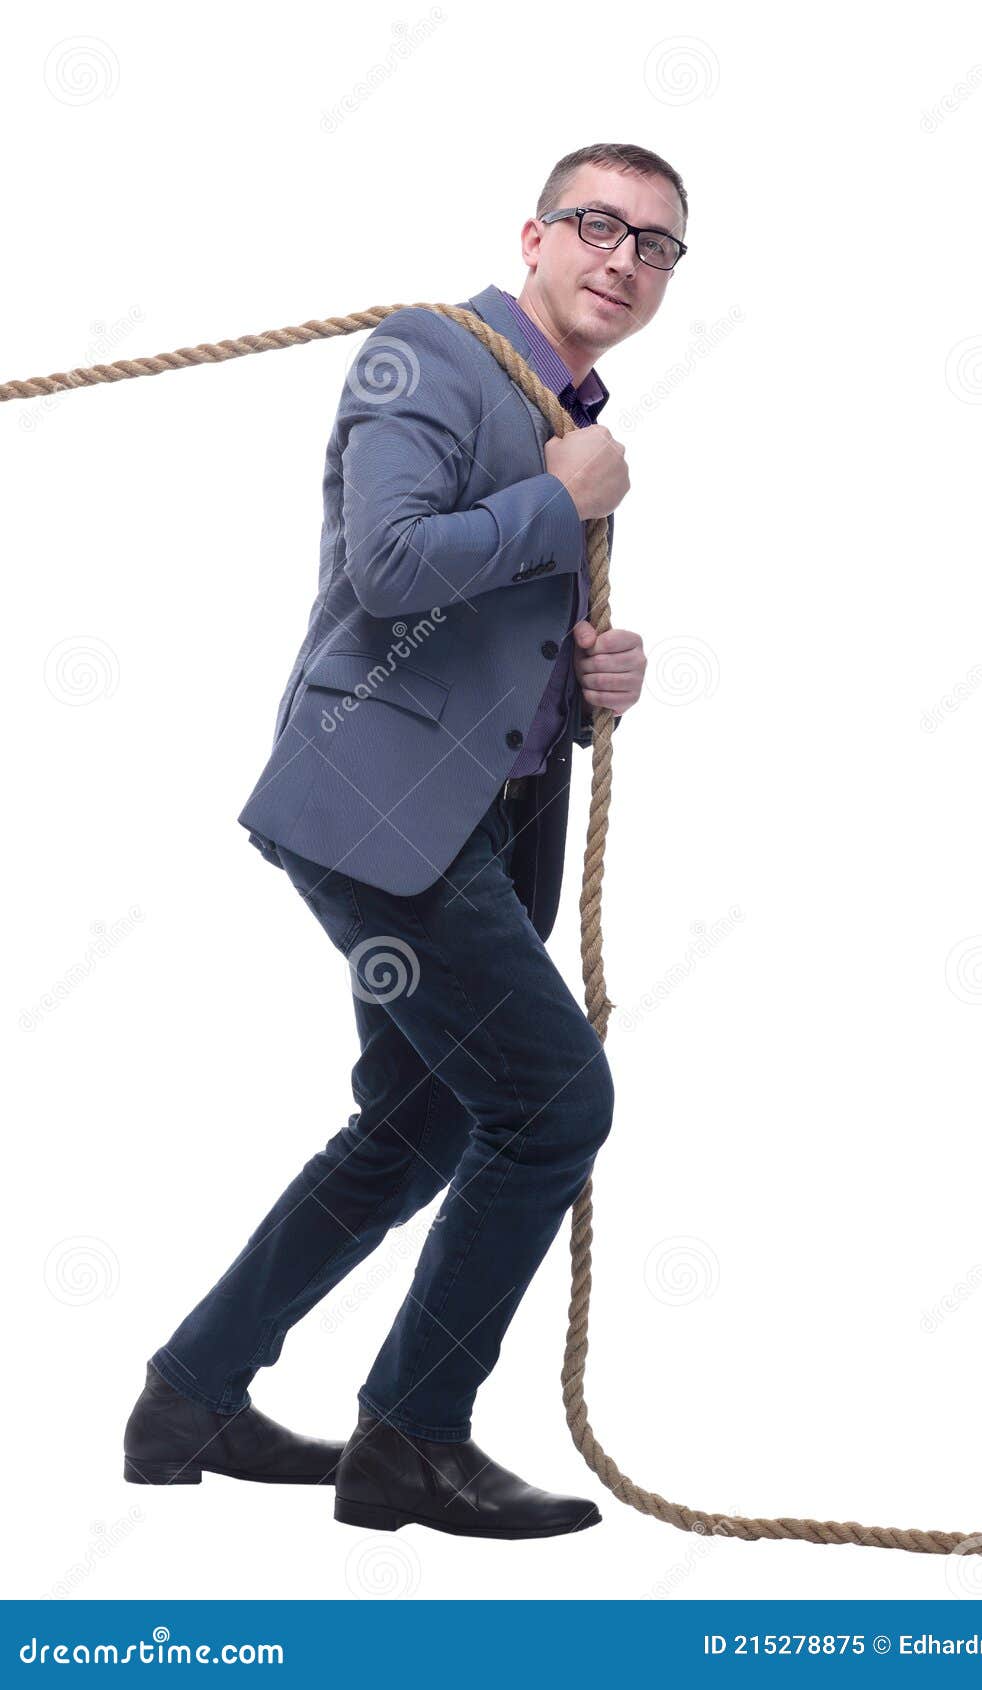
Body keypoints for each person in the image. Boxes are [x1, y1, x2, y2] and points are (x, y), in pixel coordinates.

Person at [123, 142, 687, 1539]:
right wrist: (565, 496)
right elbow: (386, 569)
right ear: (534, 234)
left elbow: (474, 632)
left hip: (478, 821)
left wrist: (585, 680)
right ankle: (414, 1440)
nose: (624, 259)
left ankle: (188, 1398)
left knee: (419, 1118)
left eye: (658, 245)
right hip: (381, 817)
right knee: (553, 1104)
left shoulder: (561, 406)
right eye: (598, 226)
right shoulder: (425, 357)